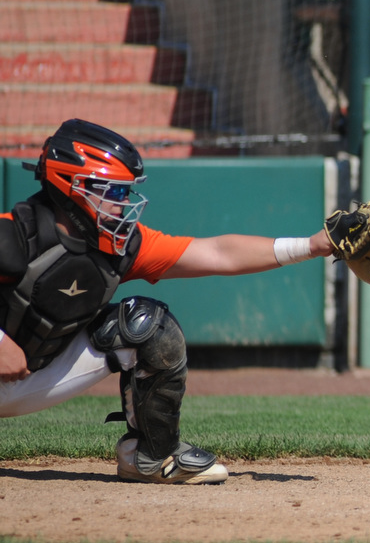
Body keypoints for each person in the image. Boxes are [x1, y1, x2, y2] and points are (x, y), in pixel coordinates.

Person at [0, 118, 340, 485]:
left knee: (148, 326)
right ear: (74, 186)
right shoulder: (14, 234)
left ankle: (149, 458)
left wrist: (310, 246)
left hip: (31, 379)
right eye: (114, 193)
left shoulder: (120, 247)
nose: (123, 205)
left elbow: (217, 253)